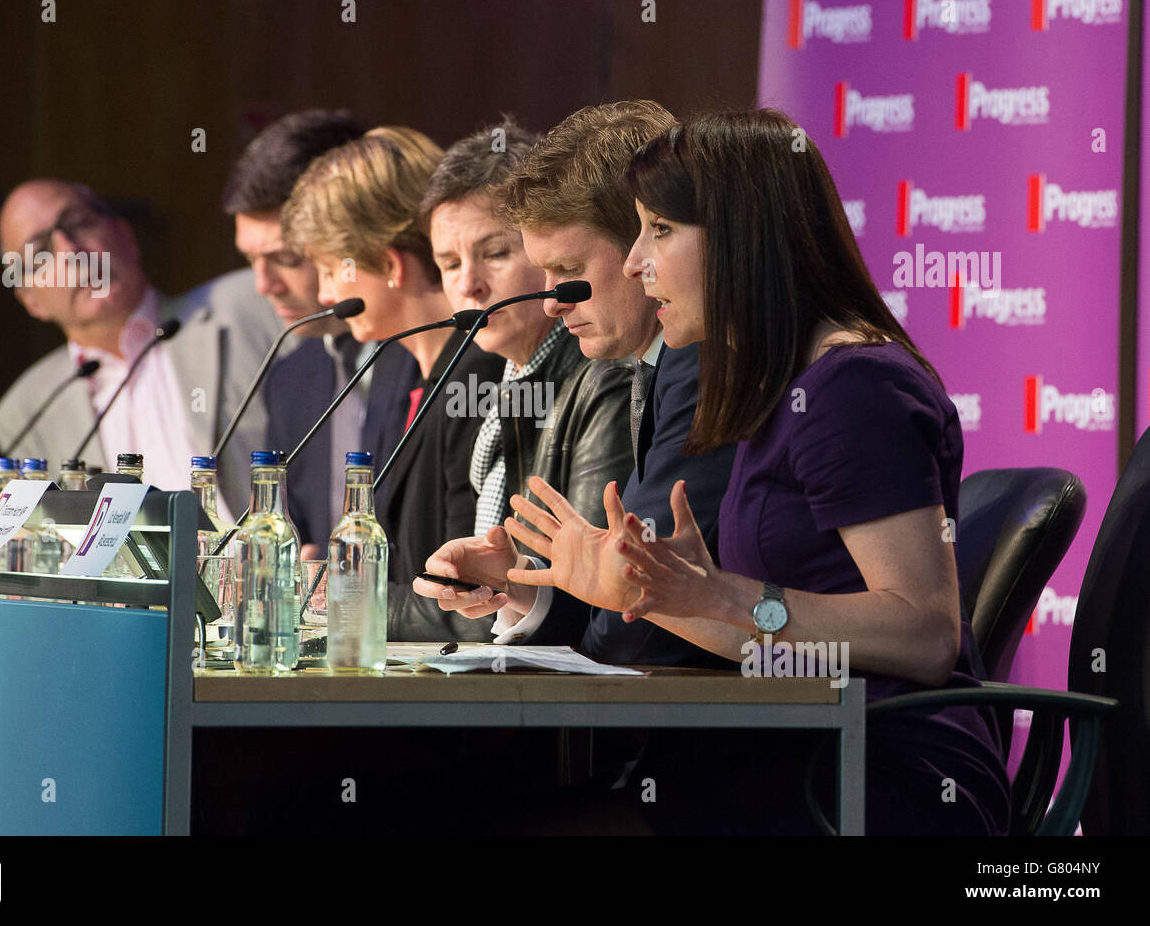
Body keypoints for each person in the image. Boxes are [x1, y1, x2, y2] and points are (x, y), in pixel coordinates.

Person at [509, 109, 1012, 835]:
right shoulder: (779, 383)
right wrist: (654, 594)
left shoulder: (853, 386)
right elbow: (769, 630)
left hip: (883, 776)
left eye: (661, 230)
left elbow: (923, 633)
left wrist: (723, 592)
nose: (632, 262)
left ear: (741, 238)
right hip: (801, 750)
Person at [409, 101, 737, 668]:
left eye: (568, 270)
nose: (553, 300)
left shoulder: (698, 367)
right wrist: (524, 588)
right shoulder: (655, 367)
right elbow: (618, 604)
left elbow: (636, 621)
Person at [393, 120, 636, 638]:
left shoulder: (605, 376)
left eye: (496, 254)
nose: (469, 285)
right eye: (448, 263)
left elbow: (592, 598)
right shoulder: (498, 380)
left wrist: (351, 608)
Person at [282, 126, 505, 598]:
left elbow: (468, 594)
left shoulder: (477, 377)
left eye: (329, 270)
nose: (324, 295)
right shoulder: (401, 377)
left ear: (390, 265)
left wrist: (335, 596)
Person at [0, 179, 283, 514]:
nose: (70, 253)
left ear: (126, 236)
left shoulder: (251, 306)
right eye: (40, 252)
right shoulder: (27, 411)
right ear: (30, 300)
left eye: (78, 224)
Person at [222, 109, 418, 550]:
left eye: (287, 258)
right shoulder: (289, 378)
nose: (263, 285)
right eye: (250, 260)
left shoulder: (431, 354)